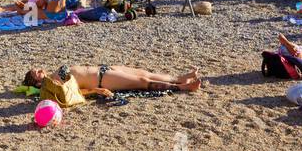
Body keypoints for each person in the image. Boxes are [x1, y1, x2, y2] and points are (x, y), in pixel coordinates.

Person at [25, 63, 201, 96]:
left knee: (144, 72)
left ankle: (180, 78)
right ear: (38, 83)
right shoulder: (53, 84)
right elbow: (73, 92)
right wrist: (95, 90)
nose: (40, 69)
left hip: (104, 69)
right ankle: (183, 88)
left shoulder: (54, 74)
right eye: (37, 73)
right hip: (102, 79)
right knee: (142, 81)